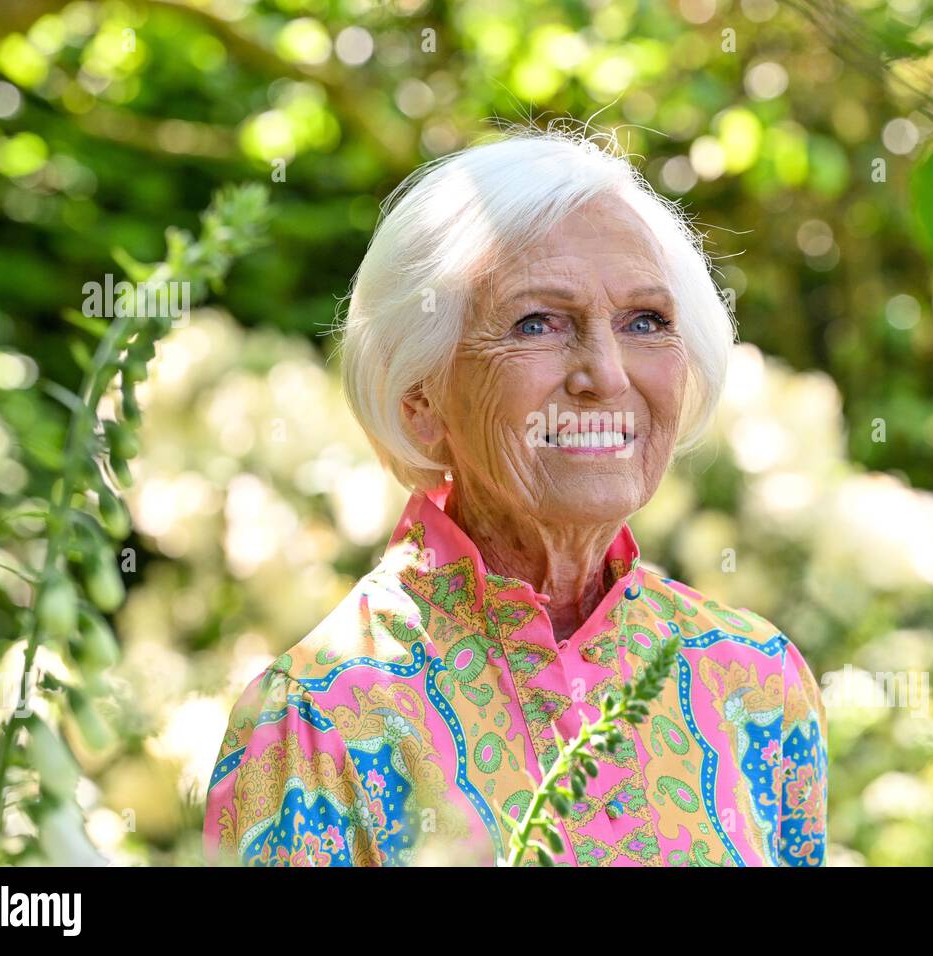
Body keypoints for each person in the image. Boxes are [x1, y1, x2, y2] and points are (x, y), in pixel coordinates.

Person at [202, 126, 828, 866]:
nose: (606, 373)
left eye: (645, 322)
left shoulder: (758, 678)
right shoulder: (315, 717)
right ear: (421, 401)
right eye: (538, 322)